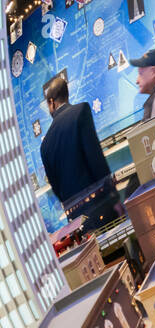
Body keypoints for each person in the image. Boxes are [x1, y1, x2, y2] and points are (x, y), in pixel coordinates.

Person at [38, 75, 120, 229]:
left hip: (76, 217)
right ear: (66, 95)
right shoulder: (81, 111)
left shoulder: (45, 145)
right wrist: (114, 197)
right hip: (101, 204)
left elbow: (55, 186)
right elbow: (95, 157)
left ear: (51, 102)